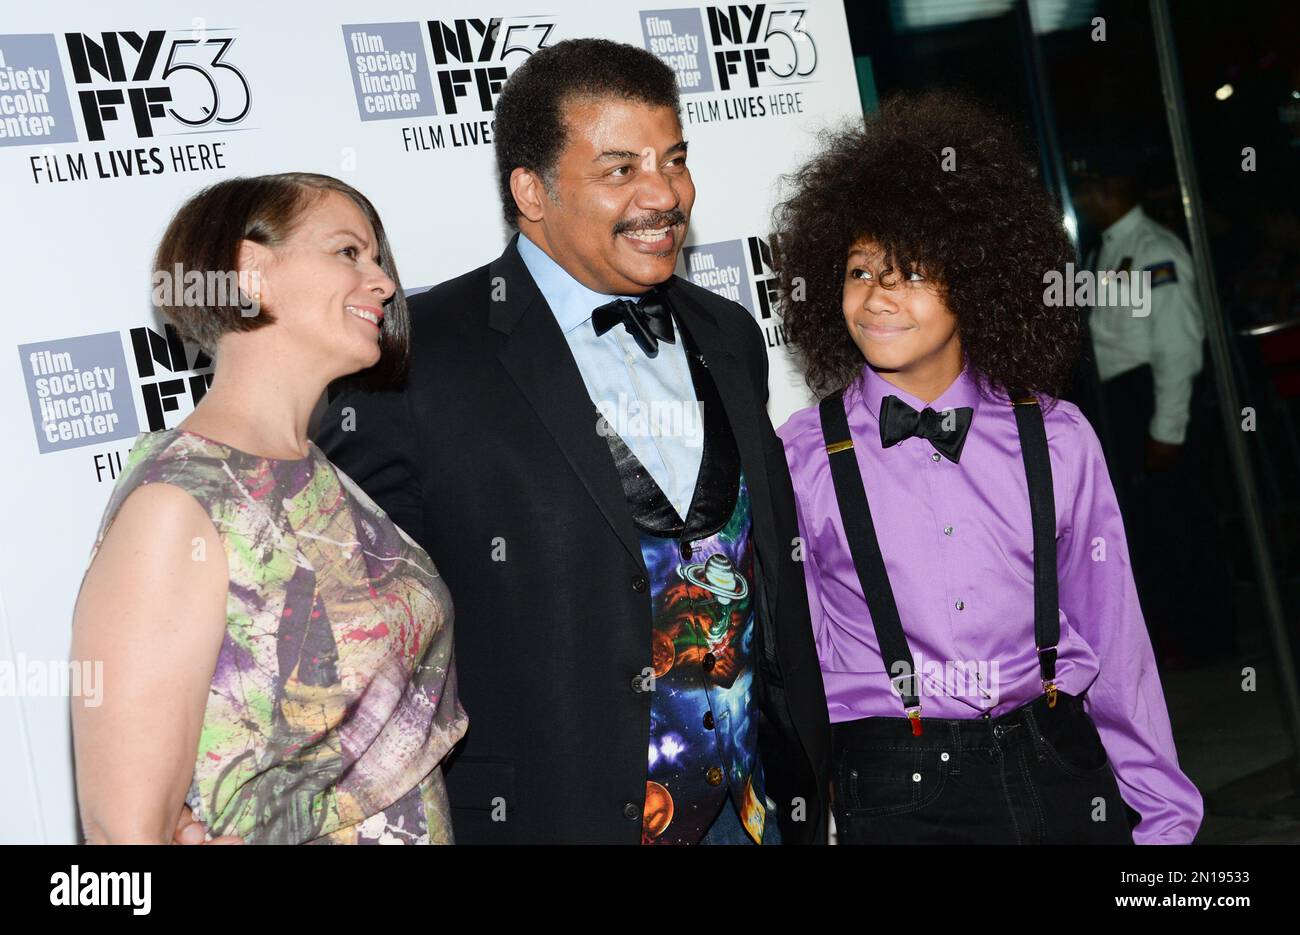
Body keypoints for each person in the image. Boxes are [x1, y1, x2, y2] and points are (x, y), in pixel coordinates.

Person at [310, 38, 831, 844]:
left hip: (751, 809)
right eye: (620, 169)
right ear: (533, 190)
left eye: (675, 158)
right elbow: (353, 644)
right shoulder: (416, 360)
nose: (664, 193)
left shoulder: (726, 331)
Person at [773, 92, 1203, 844]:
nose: (877, 296)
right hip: (895, 790)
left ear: (974, 281)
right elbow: (796, 669)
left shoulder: (1060, 438)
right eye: (860, 270)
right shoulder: (804, 453)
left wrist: (1164, 811)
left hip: (1059, 764)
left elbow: (1117, 639)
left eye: (909, 272)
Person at [72, 173, 467, 844]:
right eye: (349, 252)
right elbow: (124, 834)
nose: (384, 283)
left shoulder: (328, 478)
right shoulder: (180, 502)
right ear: (251, 271)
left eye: (378, 259)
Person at [1071, 149, 1232, 666]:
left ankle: (1205, 639)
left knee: (1181, 520)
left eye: (1086, 187)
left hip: (1149, 398)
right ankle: (1174, 635)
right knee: (1150, 527)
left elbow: (1178, 347)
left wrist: (1167, 427)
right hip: (1119, 400)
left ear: (1109, 191)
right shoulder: (1105, 249)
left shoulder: (1152, 250)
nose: (1078, 198)